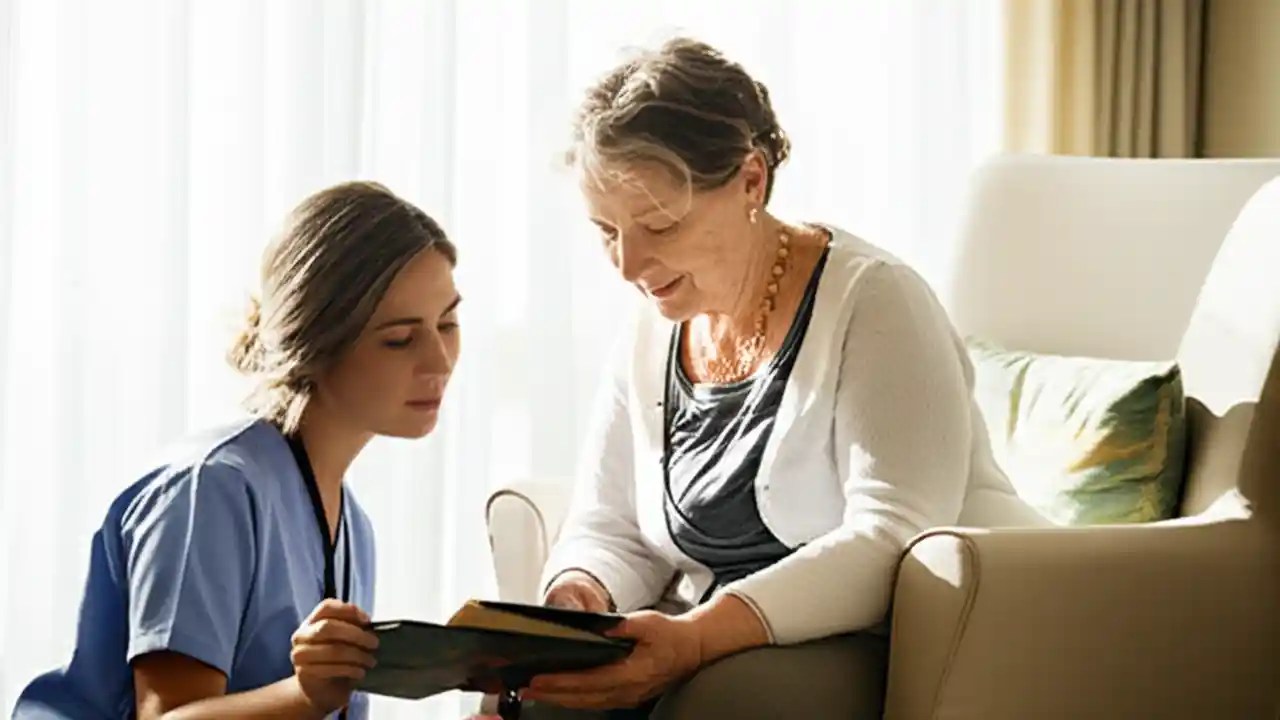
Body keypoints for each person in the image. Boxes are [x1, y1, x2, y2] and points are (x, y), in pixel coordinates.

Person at [521, 38, 1037, 718]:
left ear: (751, 182)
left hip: (892, 640)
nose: (627, 264)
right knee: (545, 703)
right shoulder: (652, 331)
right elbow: (611, 527)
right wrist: (578, 600)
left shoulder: (879, 302)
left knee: (719, 704)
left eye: (658, 225)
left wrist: (694, 640)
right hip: (710, 637)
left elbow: (891, 536)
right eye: (606, 231)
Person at [13, 182, 462, 719]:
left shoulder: (353, 527)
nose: (439, 360)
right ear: (316, 341)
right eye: (399, 338)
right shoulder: (211, 489)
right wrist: (305, 695)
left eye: (448, 323)